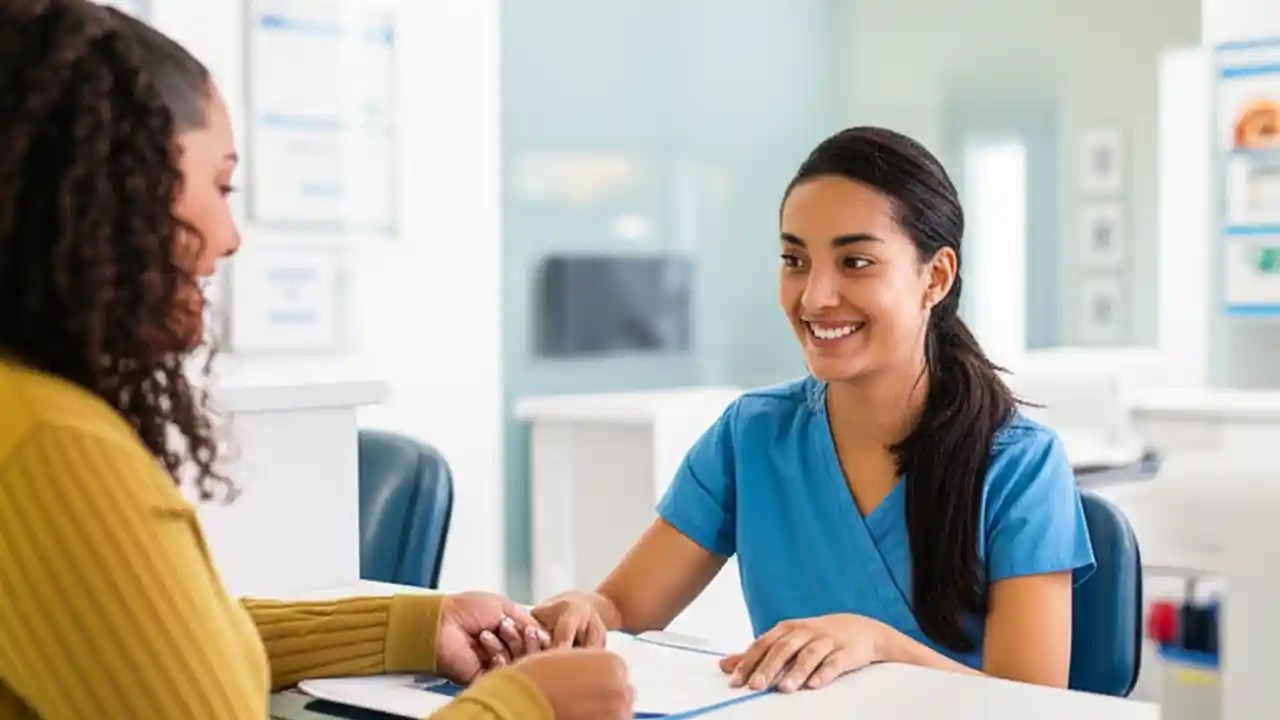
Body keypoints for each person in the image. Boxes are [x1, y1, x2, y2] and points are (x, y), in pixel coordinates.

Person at [0, 3, 631, 719]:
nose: (231, 236)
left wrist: (410, 625)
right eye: (221, 185)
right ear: (110, 183)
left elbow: (142, 642)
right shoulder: (56, 448)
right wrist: (522, 708)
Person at [532, 126, 1097, 694]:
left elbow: (1032, 703)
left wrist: (878, 644)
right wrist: (586, 610)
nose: (815, 296)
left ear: (936, 277)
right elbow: (625, 607)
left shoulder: (1021, 464)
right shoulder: (751, 435)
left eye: (855, 262)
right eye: (795, 260)